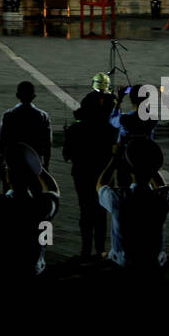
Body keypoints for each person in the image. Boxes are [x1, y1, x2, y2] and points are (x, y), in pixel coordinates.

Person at [0, 143, 61, 277]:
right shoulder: (43, 205)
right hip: (32, 270)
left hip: (0, 271)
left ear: (8, 177)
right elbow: (54, 191)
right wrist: (37, 167)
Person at [98, 137, 169, 275]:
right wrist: (150, 162)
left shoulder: (120, 199)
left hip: (125, 263)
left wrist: (115, 157)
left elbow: (101, 185)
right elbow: (161, 186)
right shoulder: (165, 198)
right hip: (154, 264)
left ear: (128, 169)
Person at [63, 96, 117, 257]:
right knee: (101, 211)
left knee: (85, 210)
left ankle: (85, 248)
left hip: (81, 174)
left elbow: (66, 155)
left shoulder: (74, 129)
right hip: (104, 174)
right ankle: (100, 248)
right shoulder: (109, 128)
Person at [0, 81, 52, 169]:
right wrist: (46, 164)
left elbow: (2, 140)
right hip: (35, 159)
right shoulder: (43, 116)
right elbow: (47, 143)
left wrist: (0, 161)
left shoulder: (8, 115)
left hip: (14, 159)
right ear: (34, 96)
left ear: (17, 95)